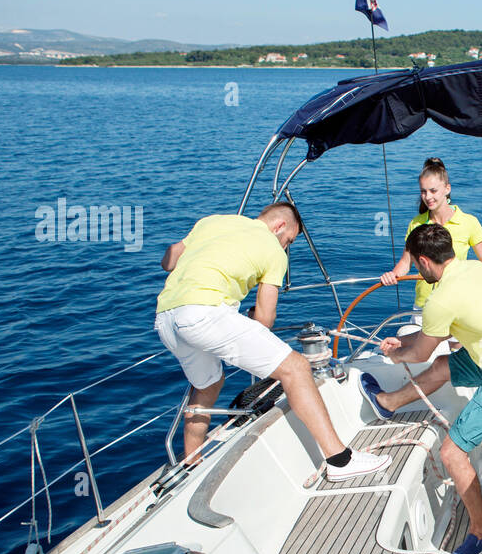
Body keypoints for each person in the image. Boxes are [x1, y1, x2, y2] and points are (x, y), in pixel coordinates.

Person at [155, 202, 389, 481]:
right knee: (296, 367)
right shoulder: (273, 249)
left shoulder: (212, 221)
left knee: (207, 385)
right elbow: (265, 320)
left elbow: (168, 260)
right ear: (279, 226)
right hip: (204, 314)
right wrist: (251, 315)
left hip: (166, 318)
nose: (286, 247)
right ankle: (340, 460)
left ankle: (191, 465)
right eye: (288, 240)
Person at [360, 222, 482, 554]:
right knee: (443, 365)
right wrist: (402, 342)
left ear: (423, 261)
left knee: (452, 453)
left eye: (416, 264)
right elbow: (439, 337)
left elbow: (420, 352)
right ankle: (387, 403)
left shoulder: (441, 298)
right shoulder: (475, 269)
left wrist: (397, 355)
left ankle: (481, 532)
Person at [380, 157, 482, 315]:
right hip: (424, 306)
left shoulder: (469, 223)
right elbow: (406, 262)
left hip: (457, 305)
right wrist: (393, 274)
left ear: (447, 189)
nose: (427, 197)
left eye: (433, 191)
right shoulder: (416, 224)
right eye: (423, 191)